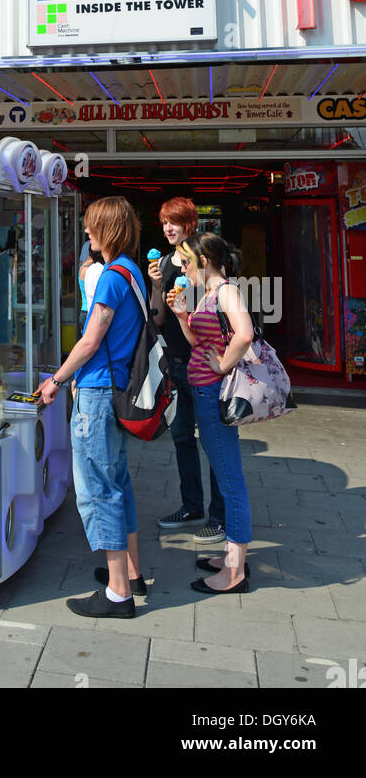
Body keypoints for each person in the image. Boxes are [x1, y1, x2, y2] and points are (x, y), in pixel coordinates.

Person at [38, 196, 145, 619]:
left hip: (98, 392)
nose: (86, 233)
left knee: (98, 490)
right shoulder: (132, 272)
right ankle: (132, 572)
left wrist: (57, 379)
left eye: (90, 226)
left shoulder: (111, 278)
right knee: (118, 481)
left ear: (108, 229)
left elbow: (90, 341)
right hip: (117, 392)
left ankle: (118, 593)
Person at [169, 232, 253, 594]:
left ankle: (234, 573)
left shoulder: (225, 291)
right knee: (225, 474)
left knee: (230, 482)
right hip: (204, 392)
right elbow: (198, 343)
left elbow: (245, 334)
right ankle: (231, 558)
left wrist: (221, 366)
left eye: (186, 262)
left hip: (213, 394)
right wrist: (183, 317)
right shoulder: (208, 294)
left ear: (203, 260)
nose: (183, 268)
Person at [148, 197, 226, 547]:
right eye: (165, 222)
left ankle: (220, 517)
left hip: (207, 363)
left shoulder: (206, 258)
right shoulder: (164, 263)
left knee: (213, 440)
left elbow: (222, 302)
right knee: (182, 437)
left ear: (190, 224)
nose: (168, 227)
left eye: (175, 221)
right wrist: (155, 286)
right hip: (177, 363)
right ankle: (192, 506)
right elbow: (158, 319)